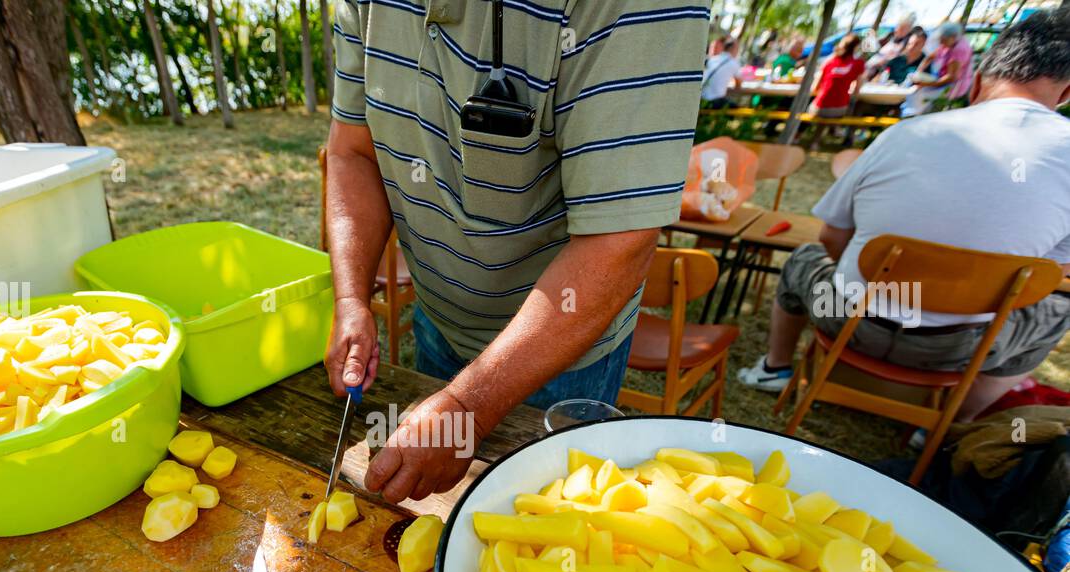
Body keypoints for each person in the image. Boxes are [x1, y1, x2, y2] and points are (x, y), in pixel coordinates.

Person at [324, 2, 709, 504]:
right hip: (439, 320)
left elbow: (619, 244)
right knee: (436, 516)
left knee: (544, 535)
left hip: (561, 360)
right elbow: (352, 150)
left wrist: (470, 404)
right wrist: (352, 297)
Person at [738, 9, 1070, 429]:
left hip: (845, 320)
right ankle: (953, 422)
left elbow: (831, 236)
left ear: (981, 75)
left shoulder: (906, 133)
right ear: (1065, 92)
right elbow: (1049, 275)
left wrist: (880, 283)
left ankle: (774, 366)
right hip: (969, 346)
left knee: (803, 259)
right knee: (1058, 309)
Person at [917, 21, 975, 108]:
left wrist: (927, 84)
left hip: (955, 88)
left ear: (953, 37)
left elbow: (951, 77)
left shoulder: (959, 49)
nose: (941, 43)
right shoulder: (950, 41)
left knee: (921, 97)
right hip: (943, 82)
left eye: (943, 40)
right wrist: (919, 72)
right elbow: (931, 57)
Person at [811, 33, 866, 118]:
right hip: (839, 109)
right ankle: (837, 131)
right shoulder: (858, 63)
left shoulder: (829, 61)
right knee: (852, 108)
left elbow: (815, 88)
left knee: (809, 107)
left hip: (819, 108)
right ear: (856, 47)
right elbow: (857, 91)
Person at [702, 35, 744, 108]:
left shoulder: (713, 59)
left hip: (702, 98)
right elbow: (738, 85)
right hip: (715, 101)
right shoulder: (733, 63)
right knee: (739, 108)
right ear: (733, 49)